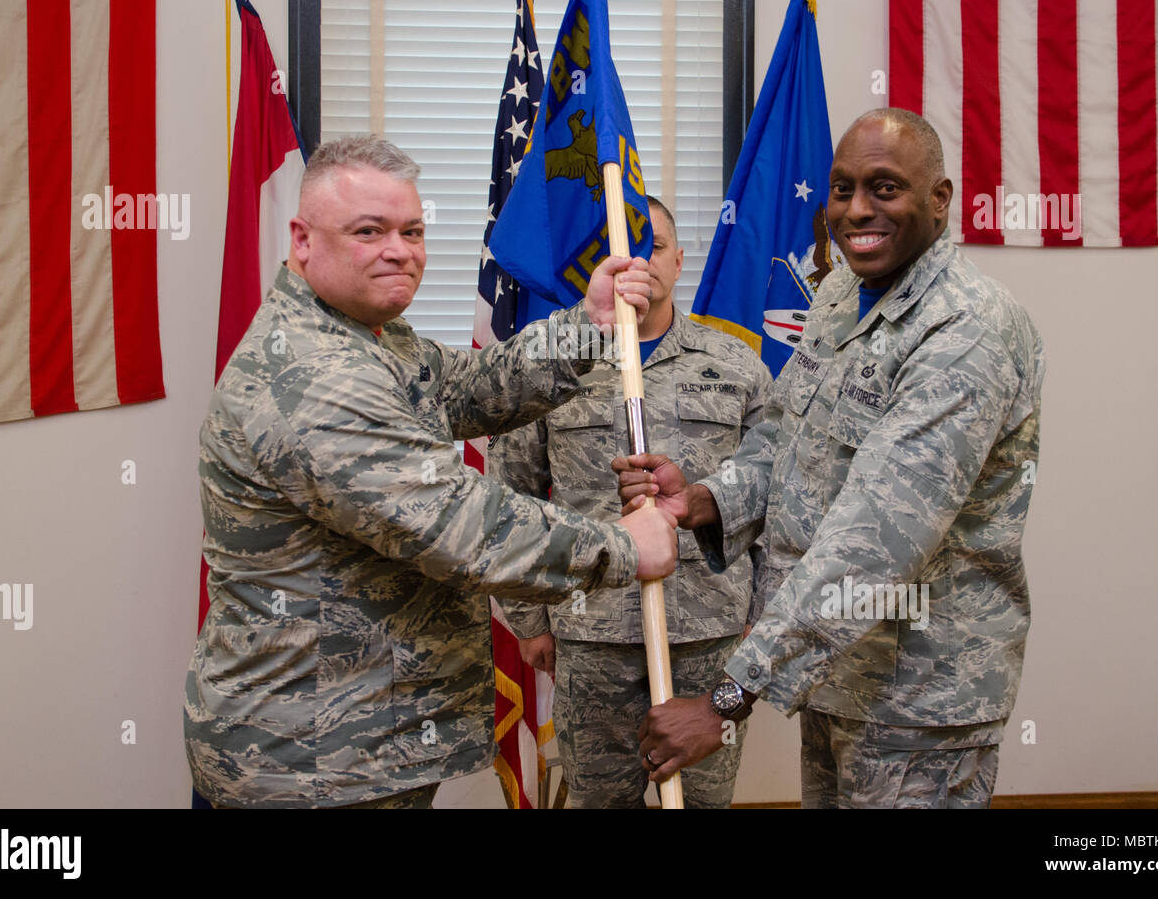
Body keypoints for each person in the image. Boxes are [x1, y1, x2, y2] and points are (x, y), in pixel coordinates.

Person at [184, 134, 678, 809]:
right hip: (311, 760)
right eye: (369, 231)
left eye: (411, 231)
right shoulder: (318, 376)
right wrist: (622, 547)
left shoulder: (368, 337)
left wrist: (588, 325)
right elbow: (459, 526)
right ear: (302, 241)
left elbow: (469, 387)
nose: (399, 250)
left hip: (353, 739)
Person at [617, 109, 1045, 809]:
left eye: (885, 188)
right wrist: (705, 499)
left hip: (919, 705)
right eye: (842, 189)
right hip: (839, 677)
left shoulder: (966, 330)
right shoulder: (843, 292)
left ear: (940, 198)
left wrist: (728, 698)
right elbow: (785, 436)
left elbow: (877, 537)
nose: (857, 210)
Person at [490, 197, 772, 808]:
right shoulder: (556, 366)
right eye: (625, 250)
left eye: (656, 247)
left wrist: (764, 613)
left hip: (710, 632)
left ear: (680, 261)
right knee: (601, 802)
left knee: (703, 803)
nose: (641, 262)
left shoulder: (736, 367)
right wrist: (530, 622)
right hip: (591, 633)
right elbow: (509, 494)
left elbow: (772, 499)